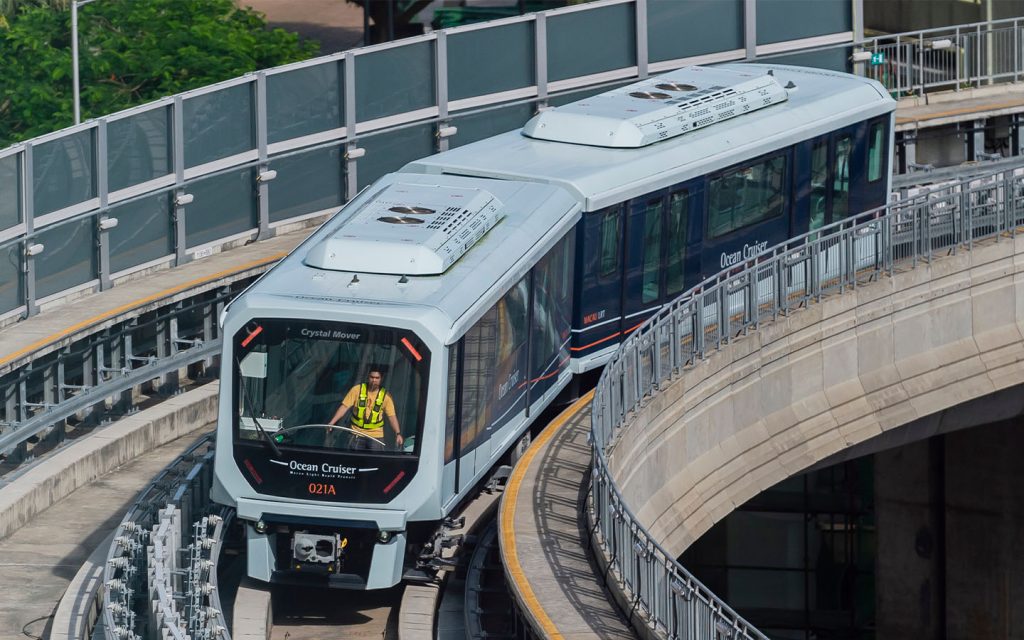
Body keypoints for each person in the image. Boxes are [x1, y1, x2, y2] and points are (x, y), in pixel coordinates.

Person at [327, 369, 403, 451]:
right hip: (356, 433)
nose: (374, 380)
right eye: (372, 377)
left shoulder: (386, 396)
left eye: (377, 378)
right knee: (353, 461)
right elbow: (344, 407)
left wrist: (398, 434)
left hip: (376, 436)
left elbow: (392, 416)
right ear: (368, 377)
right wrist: (332, 422)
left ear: (381, 379)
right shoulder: (356, 390)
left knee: (375, 462)